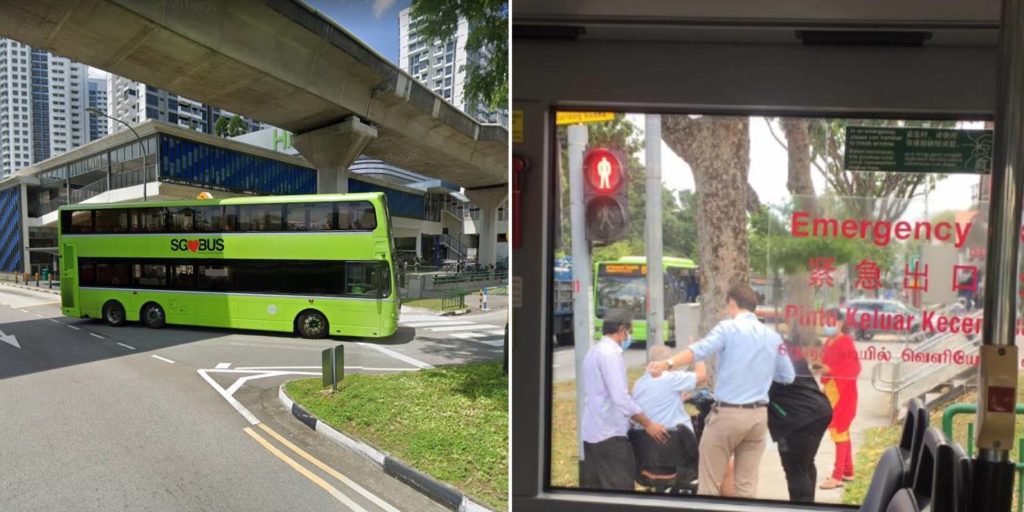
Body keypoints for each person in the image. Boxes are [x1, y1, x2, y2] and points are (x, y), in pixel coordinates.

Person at [646, 284, 795, 498]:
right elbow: (787, 376)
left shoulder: (727, 328)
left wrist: (667, 363)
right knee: (746, 488)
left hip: (727, 415)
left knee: (709, 485)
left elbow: (699, 350)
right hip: (758, 418)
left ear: (732, 304)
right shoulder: (772, 337)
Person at [581, 310, 669, 491]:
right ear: (621, 330)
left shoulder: (594, 352)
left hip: (592, 433)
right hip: (610, 435)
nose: (629, 337)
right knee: (619, 493)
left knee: (594, 496)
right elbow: (620, 397)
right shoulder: (611, 355)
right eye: (629, 332)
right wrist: (648, 423)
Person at [768, 330, 833, 502]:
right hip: (818, 408)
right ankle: (808, 505)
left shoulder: (766, 349)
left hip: (798, 415)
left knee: (795, 469)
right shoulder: (785, 345)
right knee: (805, 464)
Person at [630, 345, 706, 488]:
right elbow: (702, 375)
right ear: (669, 363)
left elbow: (656, 400)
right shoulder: (672, 378)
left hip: (648, 461)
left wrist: (678, 399)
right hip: (679, 458)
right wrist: (697, 351)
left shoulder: (638, 384)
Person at [818, 308, 862, 490]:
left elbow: (853, 368)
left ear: (840, 323)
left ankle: (837, 476)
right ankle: (848, 470)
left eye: (832, 322)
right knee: (842, 431)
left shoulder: (846, 342)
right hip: (831, 390)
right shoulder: (828, 341)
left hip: (843, 392)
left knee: (839, 430)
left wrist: (829, 371)